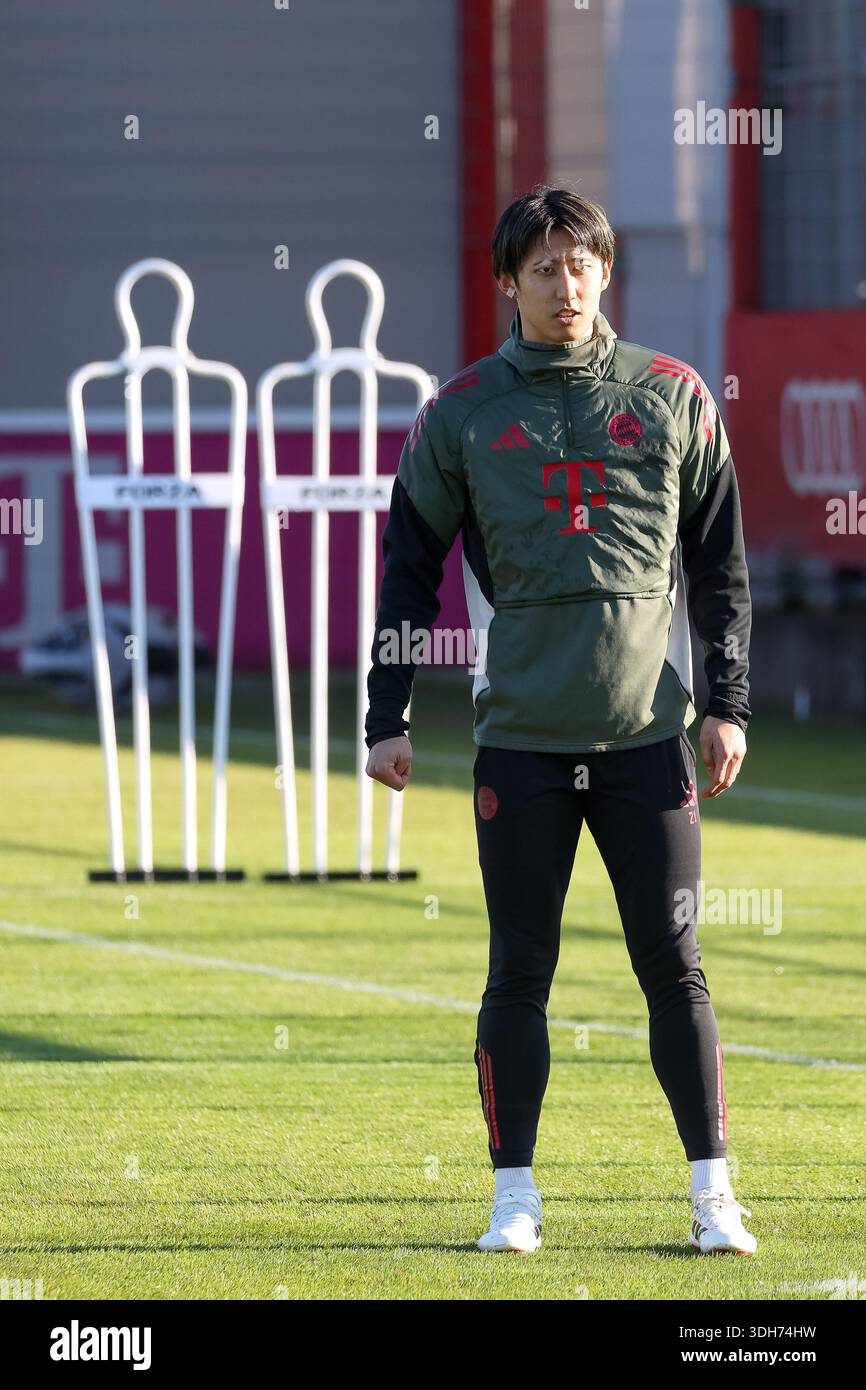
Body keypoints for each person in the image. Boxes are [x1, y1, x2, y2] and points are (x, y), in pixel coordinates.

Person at [364, 184, 756, 1256]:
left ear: (604, 272)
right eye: (541, 266)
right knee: (517, 970)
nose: (564, 283)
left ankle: (712, 1195)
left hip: (644, 740)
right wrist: (382, 713)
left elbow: (718, 568)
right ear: (507, 282)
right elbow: (407, 568)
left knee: (673, 966)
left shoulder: (673, 396)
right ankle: (512, 1195)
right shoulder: (461, 411)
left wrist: (724, 705)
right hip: (521, 746)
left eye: (579, 262)